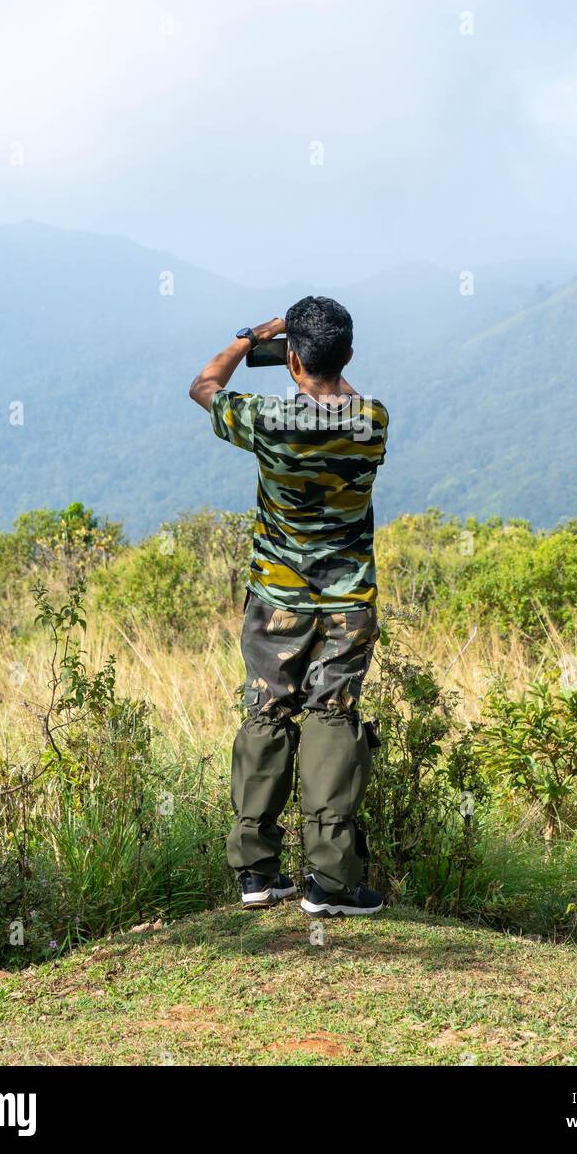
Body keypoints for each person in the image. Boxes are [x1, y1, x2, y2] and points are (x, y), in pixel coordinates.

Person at [188, 296, 389, 918]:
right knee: (332, 716)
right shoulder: (371, 419)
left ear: (293, 358)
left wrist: (254, 337)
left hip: (275, 599)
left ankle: (256, 873)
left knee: (267, 712)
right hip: (347, 600)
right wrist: (316, 364)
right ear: (348, 354)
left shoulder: (267, 419)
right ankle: (328, 884)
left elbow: (203, 385)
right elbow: (342, 388)